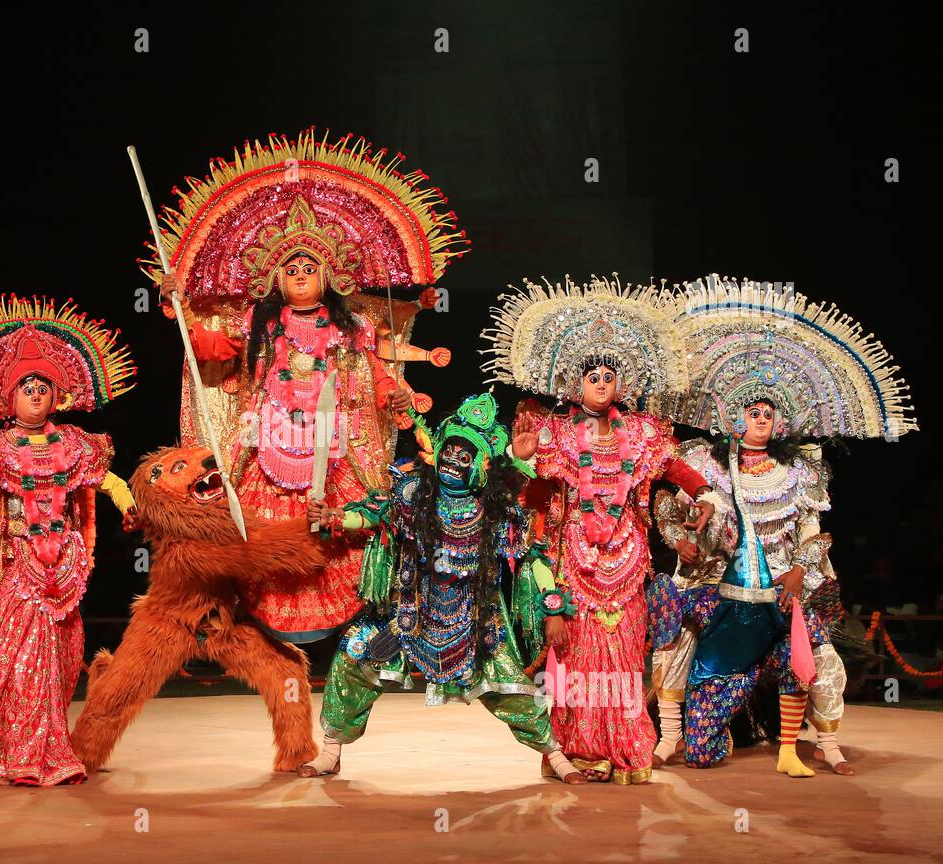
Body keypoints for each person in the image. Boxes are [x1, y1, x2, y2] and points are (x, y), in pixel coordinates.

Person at [145, 129, 468, 644]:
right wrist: (180, 308)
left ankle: (359, 631)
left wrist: (395, 397)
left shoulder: (352, 326)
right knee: (259, 535)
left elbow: (378, 377)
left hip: (334, 446)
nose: (299, 274)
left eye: (309, 267)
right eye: (290, 267)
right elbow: (212, 349)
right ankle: (248, 624)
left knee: (342, 529)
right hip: (270, 441)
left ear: (329, 276)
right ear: (276, 278)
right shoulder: (257, 322)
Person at [649, 276, 919, 776]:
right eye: (753, 411)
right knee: (675, 641)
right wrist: (680, 540)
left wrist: (797, 571)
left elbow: (813, 531)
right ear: (734, 417)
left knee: (817, 655)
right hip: (717, 578)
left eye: (769, 413)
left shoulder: (798, 472)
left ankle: (826, 743)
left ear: (781, 421)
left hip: (780, 581)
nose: (762, 420)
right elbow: (667, 508)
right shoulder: (706, 463)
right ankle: (668, 737)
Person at [484, 278, 718, 783]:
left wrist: (704, 495)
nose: (601, 381)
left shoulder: (643, 432)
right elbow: (521, 493)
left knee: (625, 656)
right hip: (575, 563)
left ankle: (628, 749)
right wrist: (515, 459)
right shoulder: (555, 434)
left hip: (629, 560)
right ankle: (573, 749)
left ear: (621, 385)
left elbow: (675, 468)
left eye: (610, 374)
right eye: (592, 374)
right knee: (575, 658)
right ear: (575, 384)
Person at [298, 393, 585, 783]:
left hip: (473, 621)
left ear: (480, 467)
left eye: (464, 457)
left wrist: (552, 607)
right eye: (448, 451)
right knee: (352, 662)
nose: (452, 460)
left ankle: (555, 754)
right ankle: (331, 751)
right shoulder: (413, 493)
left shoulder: (494, 510)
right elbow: (372, 513)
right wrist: (335, 515)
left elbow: (532, 555)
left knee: (512, 687)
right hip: (408, 616)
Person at [0, 295, 137, 786]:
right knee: (15, 662)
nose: (36, 395)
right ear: (9, 397)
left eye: (43, 387)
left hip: (64, 566)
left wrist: (130, 505)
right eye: (26, 388)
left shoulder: (75, 444)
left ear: (56, 394)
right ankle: (11, 754)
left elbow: (105, 481)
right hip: (17, 566)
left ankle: (52, 748)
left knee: (64, 662)